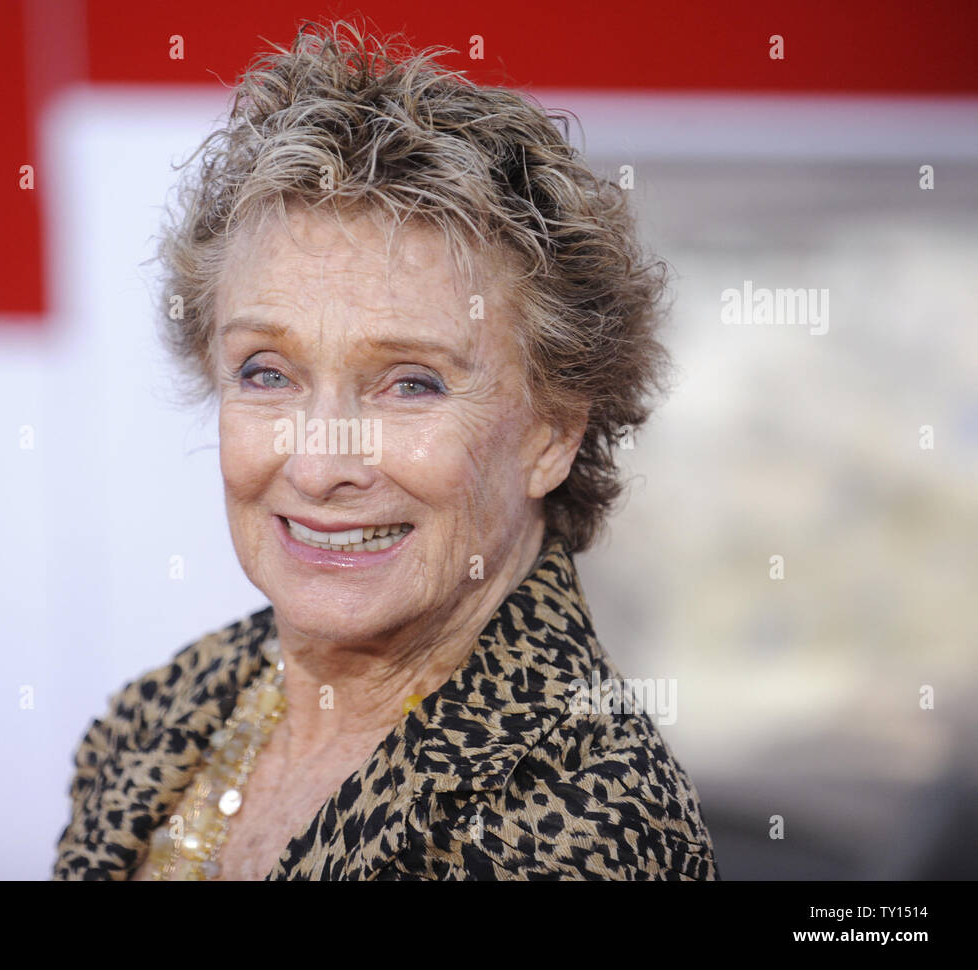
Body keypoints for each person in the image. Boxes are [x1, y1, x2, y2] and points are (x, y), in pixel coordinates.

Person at [53, 19, 717, 880]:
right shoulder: (149, 721)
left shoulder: (586, 826)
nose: (321, 464)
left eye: (411, 384)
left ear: (553, 435)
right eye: (267, 373)